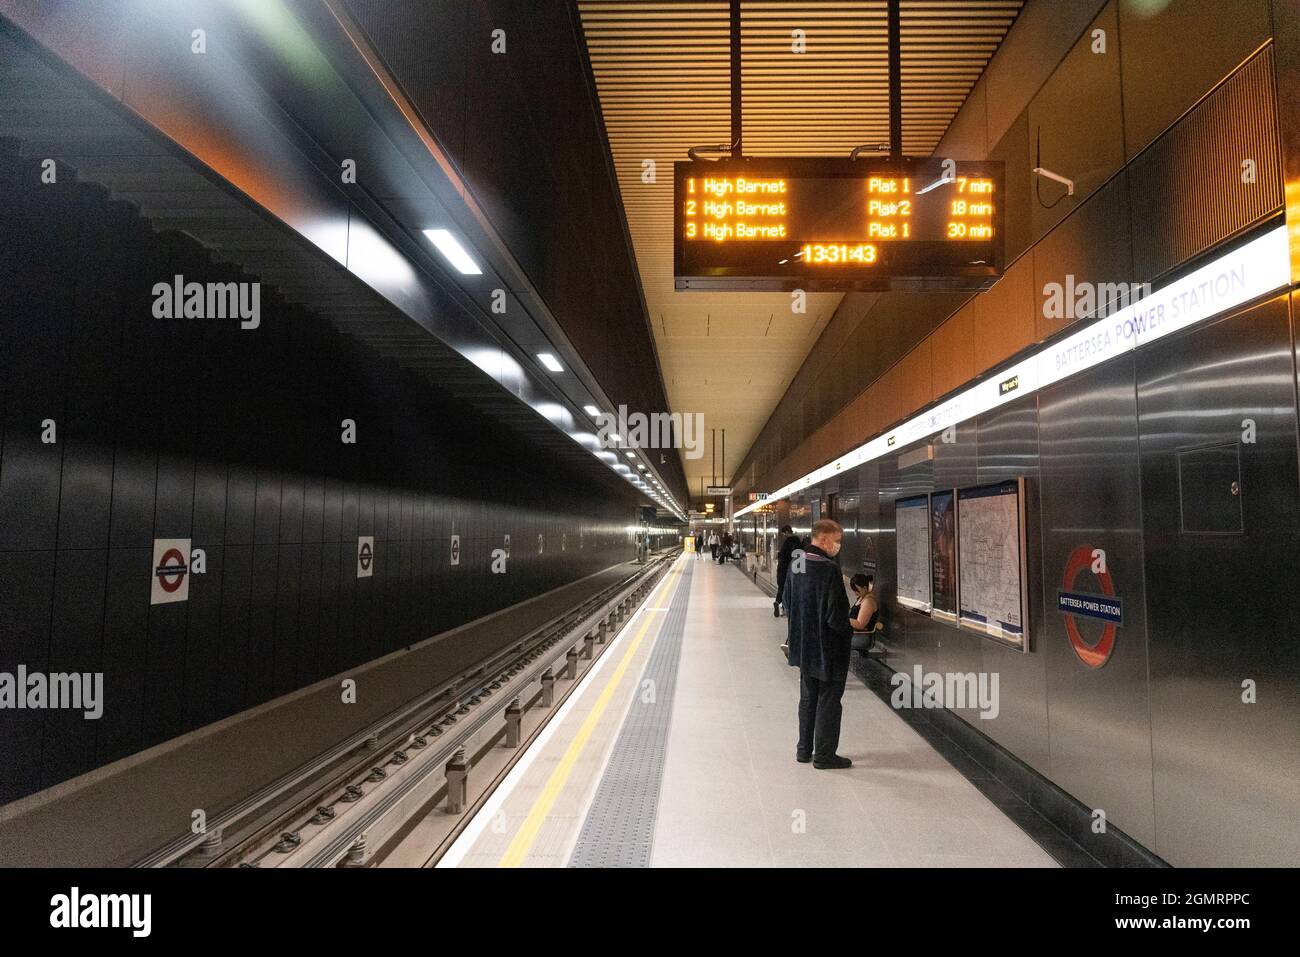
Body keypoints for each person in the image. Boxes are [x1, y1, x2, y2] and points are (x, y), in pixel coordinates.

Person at [783, 519, 853, 769]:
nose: (838, 546)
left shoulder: (797, 563)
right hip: (828, 649)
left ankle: (804, 750)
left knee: (808, 697)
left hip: (803, 645)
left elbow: (787, 602)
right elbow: (836, 616)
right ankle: (824, 755)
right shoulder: (829, 569)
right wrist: (847, 634)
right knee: (829, 700)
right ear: (824, 540)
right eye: (837, 540)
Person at [773, 525, 802, 618]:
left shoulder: (787, 542)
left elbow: (782, 555)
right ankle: (785, 607)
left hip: (782, 569)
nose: (784, 535)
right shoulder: (796, 541)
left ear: (786, 532)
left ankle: (778, 603)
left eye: (784, 534)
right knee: (789, 589)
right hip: (791, 569)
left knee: (782, 588)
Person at [848, 574, 880, 654]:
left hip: (861, 637)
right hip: (855, 634)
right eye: (854, 590)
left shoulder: (868, 601)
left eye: (857, 590)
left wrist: (842, 619)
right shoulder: (862, 598)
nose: (855, 593)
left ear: (865, 588)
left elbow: (860, 624)